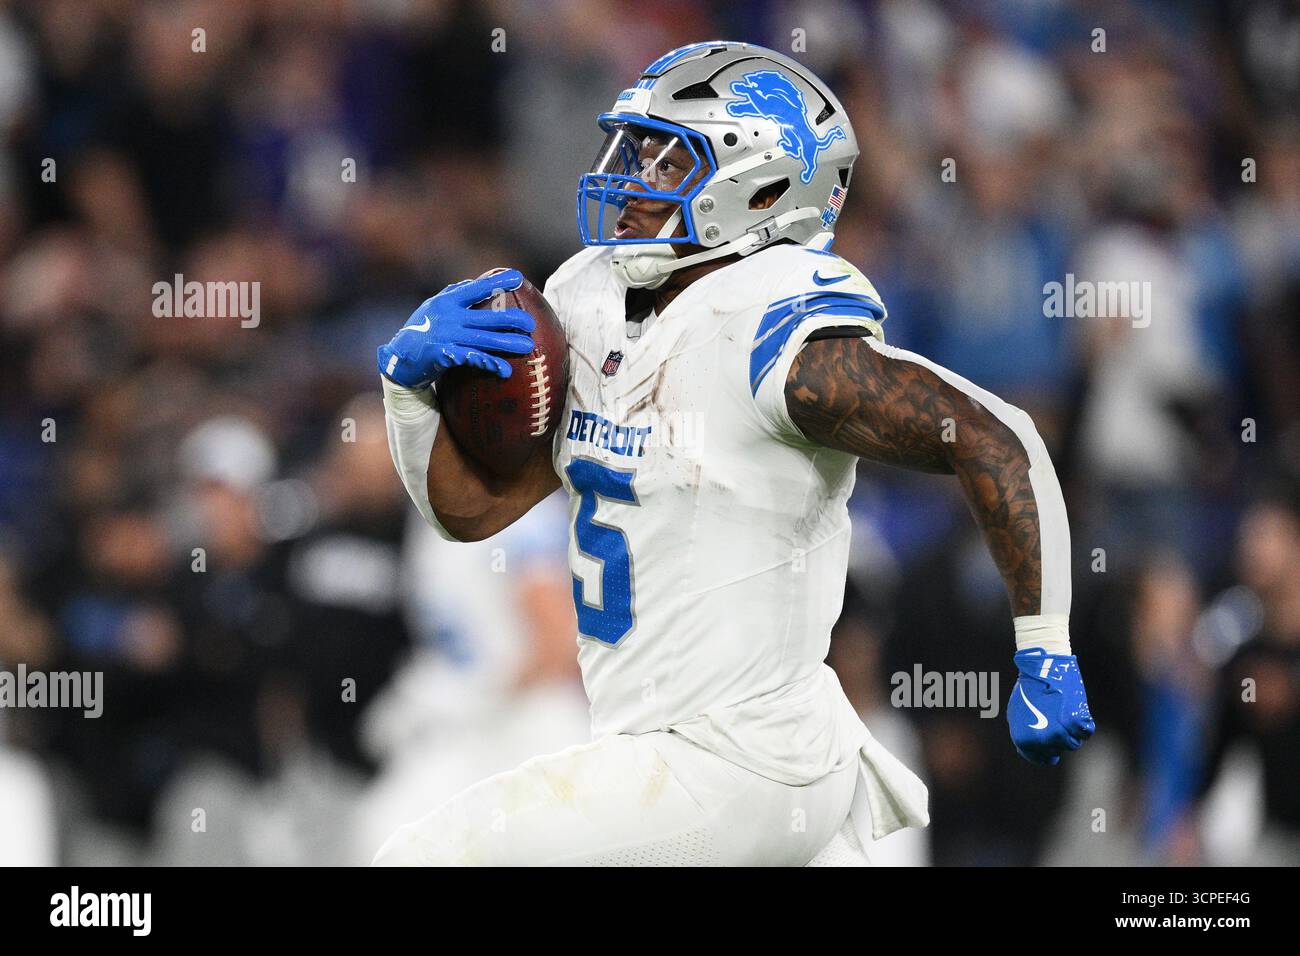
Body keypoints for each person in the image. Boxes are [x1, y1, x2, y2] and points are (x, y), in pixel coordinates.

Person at [372, 41, 1093, 866]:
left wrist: (1045, 645)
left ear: (764, 186)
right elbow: (474, 514)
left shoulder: (774, 330)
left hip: (749, 761)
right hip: (649, 751)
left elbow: (994, 437)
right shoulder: (589, 298)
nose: (632, 179)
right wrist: (410, 396)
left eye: (668, 157)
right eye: (635, 149)